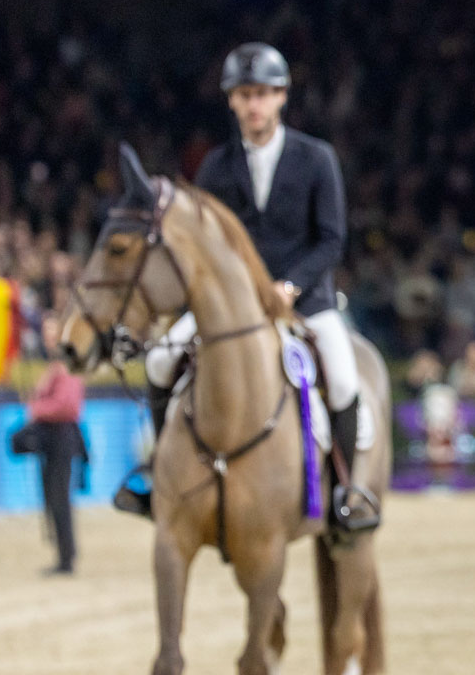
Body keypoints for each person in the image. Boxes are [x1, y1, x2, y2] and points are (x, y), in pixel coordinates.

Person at [133, 43, 371, 530]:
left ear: (281, 96)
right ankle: (162, 476)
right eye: (245, 95)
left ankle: (345, 493)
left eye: (263, 93)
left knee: (344, 379)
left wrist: (290, 287)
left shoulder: (317, 158)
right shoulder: (215, 168)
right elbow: (205, 246)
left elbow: (331, 240)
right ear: (232, 102)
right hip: (232, 308)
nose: (254, 104)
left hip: (305, 302)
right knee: (159, 360)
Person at [28, 313, 87, 575]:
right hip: (53, 438)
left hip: (61, 436)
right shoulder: (56, 365)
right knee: (53, 498)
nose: (47, 337)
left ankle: (66, 558)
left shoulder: (67, 365)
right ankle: (64, 554)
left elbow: (68, 406)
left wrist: (38, 408)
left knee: (59, 498)